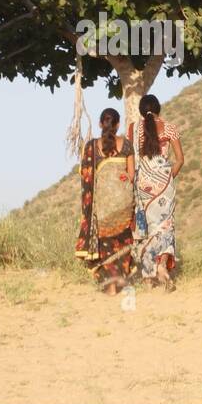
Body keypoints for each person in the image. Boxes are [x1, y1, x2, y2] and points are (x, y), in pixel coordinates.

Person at [75, 108, 136, 293]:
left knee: (106, 245)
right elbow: (132, 175)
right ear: (117, 125)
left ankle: (110, 286)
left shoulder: (92, 147)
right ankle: (119, 281)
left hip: (102, 208)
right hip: (124, 206)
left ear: (101, 124)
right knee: (122, 241)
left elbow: (86, 176)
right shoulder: (126, 144)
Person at [128, 94, 183, 291]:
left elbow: (131, 161)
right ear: (158, 108)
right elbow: (180, 160)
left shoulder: (134, 129)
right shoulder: (170, 128)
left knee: (146, 229)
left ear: (142, 111)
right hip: (164, 186)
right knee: (166, 226)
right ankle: (162, 268)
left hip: (144, 186)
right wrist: (168, 178)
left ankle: (148, 275)